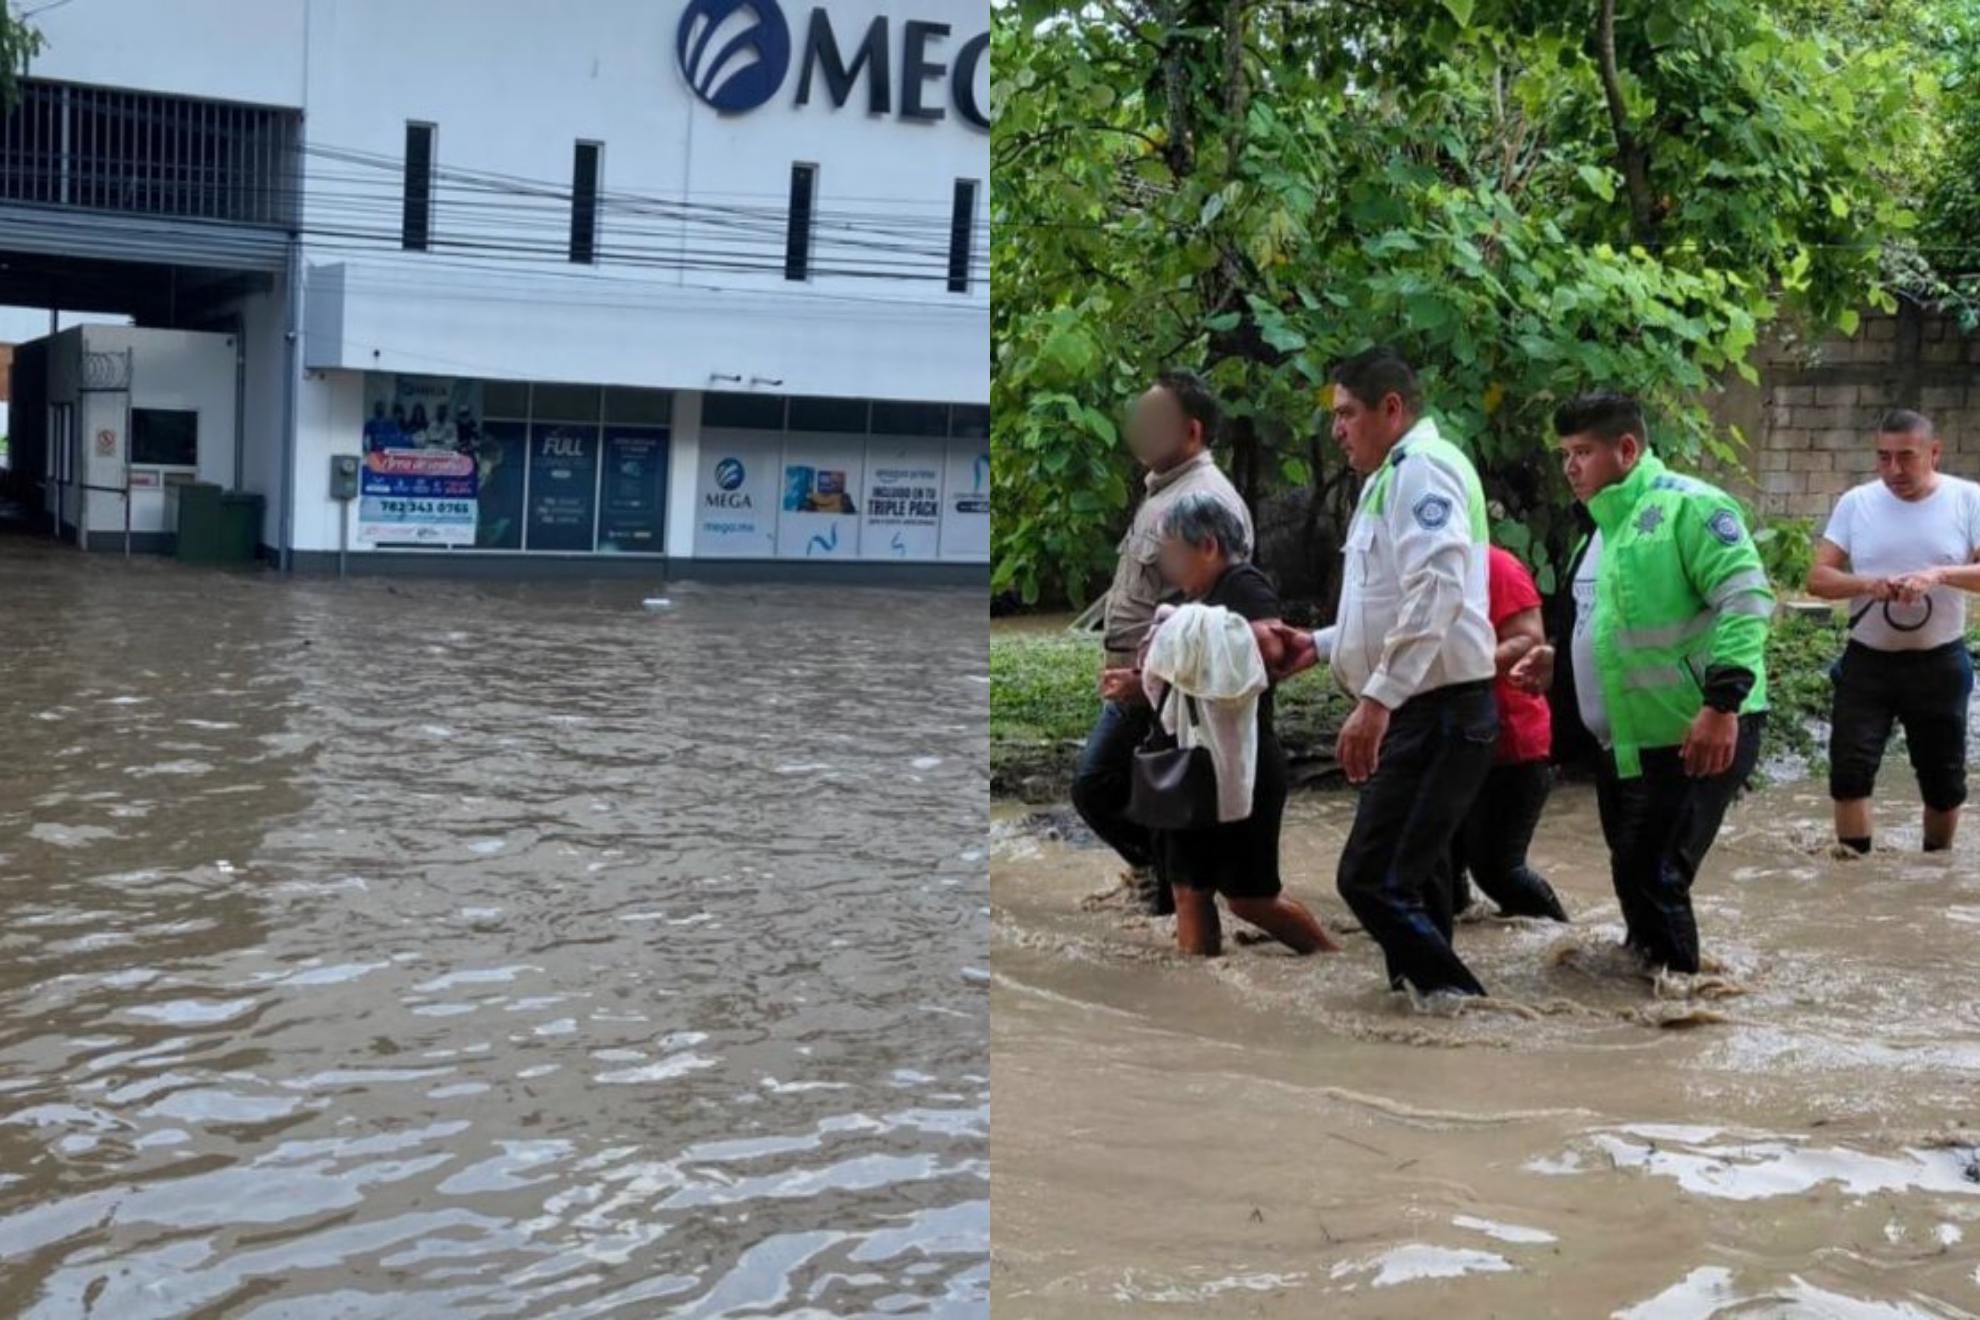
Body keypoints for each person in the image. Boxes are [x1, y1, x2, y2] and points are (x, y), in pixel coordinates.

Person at [1512, 392, 1773, 976]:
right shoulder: (1600, 530)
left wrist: (1721, 705)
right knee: (1632, 872)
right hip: (1627, 741)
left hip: (1697, 730)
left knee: (1655, 874)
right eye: (1565, 454)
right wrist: (1559, 661)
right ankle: (1645, 984)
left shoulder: (1691, 507)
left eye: (1583, 452)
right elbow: (1612, 628)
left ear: (1627, 449)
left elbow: (1747, 600)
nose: (1570, 467)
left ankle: (1682, 1004)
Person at [1269, 347, 1499, 999]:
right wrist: (1319, 645)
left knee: (1371, 878)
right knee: (1415, 883)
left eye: (1347, 413)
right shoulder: (1391, 476)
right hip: (1426, 707)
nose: (1336, 430)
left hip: (1438, 710)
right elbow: (1394, 606)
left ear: (1390, 408)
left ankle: (1467, 1009)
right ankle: (1427, 1016)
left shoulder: (1420, 468)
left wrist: (1376, 701)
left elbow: (1437, 588)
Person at [1074, 369, 1254, 917]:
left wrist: (1152, 678)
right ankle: (1168, 889)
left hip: (1165, 683)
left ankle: (1169, 880)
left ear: (1192, 431)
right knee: (1150, 787)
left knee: (1096, 784)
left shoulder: (1205, 500)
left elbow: (1224, 612)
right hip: (1142, 678)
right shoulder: (1164, 491)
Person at [1143, 493, 1340, 957]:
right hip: (1191, 760)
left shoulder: (1244, 585)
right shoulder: (1198, 597)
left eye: (1173, 551)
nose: (1167, 564)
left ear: (1208, 546)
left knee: (1250, 898)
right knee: (1189, 889)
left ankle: (1329, 959)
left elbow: (1269, 654)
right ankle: (1200, 988)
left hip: (1238, 762)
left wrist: (1186, 635)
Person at [1805, 408, 1980, 855]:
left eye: (1906, 457)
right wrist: (1869, 585)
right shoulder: (1857, 502)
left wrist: (1938, 574)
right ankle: (1852, 873)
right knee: (1849, 775)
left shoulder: (1968, 499)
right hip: (1868, 663)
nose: (1894, 470)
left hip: (1939, 662)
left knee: (1943, 783)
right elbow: (1818, 578)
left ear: (1934, 453)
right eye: (1884, 457)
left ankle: (1935, 870)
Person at [1450, 546, 1570, 922]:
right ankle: (1454, 935)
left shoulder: (1496, 565)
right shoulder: (1412, 566)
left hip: (1513, 744)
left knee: (1497, 869)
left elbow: (1529, 640)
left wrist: (1449, 672)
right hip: (1451, 742)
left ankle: (1562, 938)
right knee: (1437, 861)